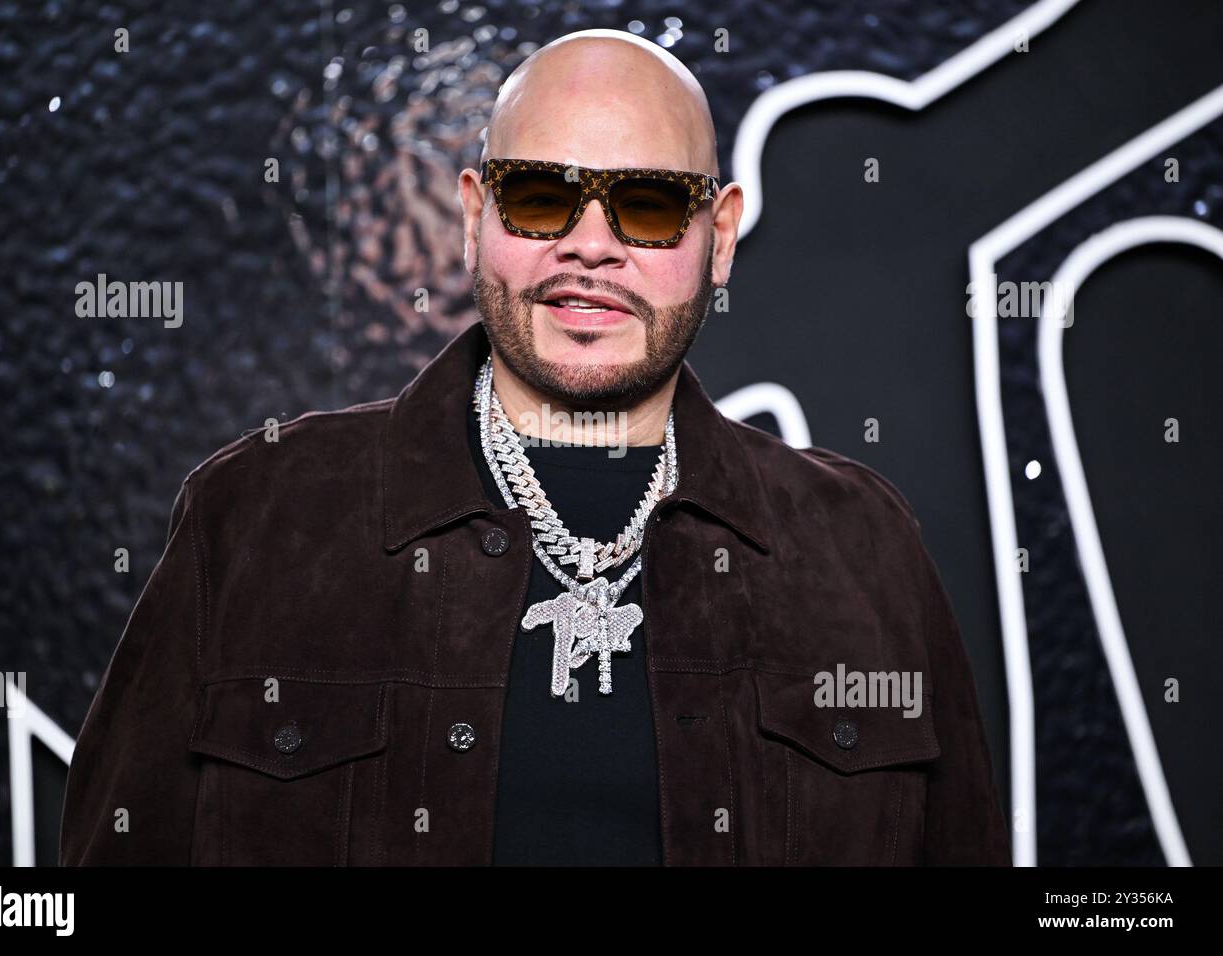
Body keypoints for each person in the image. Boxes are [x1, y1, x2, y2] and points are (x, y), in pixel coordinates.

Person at [60, 29, 1010, 866]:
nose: (590, 247)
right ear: (476, 218)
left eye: (646, 205)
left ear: (718, 237)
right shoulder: (257, 518)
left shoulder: (863, 550)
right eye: (541, 197)